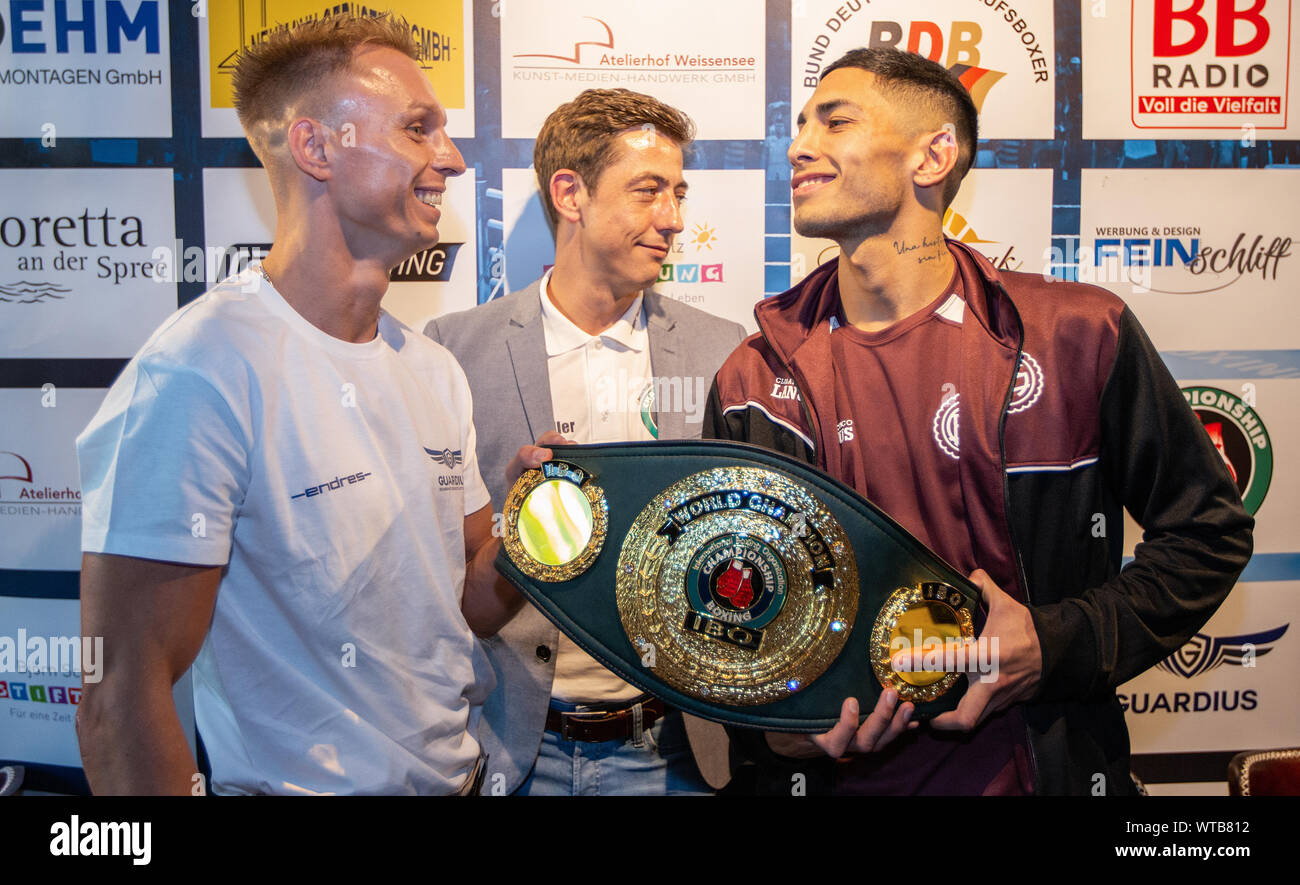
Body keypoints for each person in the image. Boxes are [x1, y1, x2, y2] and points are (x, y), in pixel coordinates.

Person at [704, 47, 1253, 795]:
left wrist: (1054, 640)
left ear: (933, 155)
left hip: (1043, 772)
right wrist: (778, 730)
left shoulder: (1080, 335)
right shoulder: (751, 376)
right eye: (800, 125)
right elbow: (719, 613)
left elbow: (1207, 533)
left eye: (835, 121)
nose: (799, 144)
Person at [75, 14, 545, 795]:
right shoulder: (199, 370)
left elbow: (471, 601)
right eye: (419, 128)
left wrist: (536, 524)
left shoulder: (433, 369)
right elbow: (119, 694)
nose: (453, 159)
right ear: (316, 147)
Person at [427, 89, 747, 795]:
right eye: (648, 191)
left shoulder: (722, 350)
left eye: (678, 194)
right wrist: (518, 529)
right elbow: (439, 590)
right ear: (570, 193)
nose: (673, 219)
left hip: (677, 754)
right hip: (511, 753)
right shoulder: (452, 352)